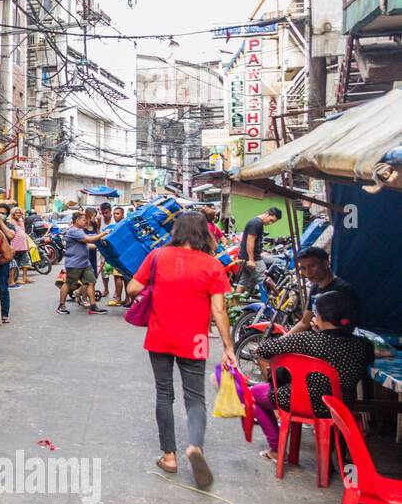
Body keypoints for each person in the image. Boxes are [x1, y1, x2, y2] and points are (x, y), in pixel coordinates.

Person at [125, 211, 237, 488]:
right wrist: (228, 346)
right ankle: (195, 446)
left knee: (164, 393)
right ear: (204, 234)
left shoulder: (157, 256)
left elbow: (132, 288)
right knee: (195, 398)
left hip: (160, 335)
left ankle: (169, 457)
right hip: (195, 338)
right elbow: (219, 310)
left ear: (177, 231)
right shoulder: (212, 265)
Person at [250, 290, 374, 463]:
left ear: (320, 316)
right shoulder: (364, 346)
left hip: (300, 402)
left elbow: (263, 350)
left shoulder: (306, 340)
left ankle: (276, 449)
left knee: (253, 394)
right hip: (340, 407)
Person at [288, 246, 357, 335]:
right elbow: (304, 323)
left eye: (312, 266)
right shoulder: (314, 288)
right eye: (303, 268)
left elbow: (348, 326)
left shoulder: (343, 290)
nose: (308, 273)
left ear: (326, 263)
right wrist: (279, 342)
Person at [57, 210, 108, 315]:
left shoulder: (80, 230)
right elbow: (89, 240)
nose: (86, 222)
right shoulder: (74, 231)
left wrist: (103, 245)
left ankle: (93, 306)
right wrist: (104, 233)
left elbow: (88, 245)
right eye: (84, 220)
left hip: (85, 262)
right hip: (74, 263)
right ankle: (61, 305)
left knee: (91, 282)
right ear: (77, 220)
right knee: (69, 283)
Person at [236, 206, 283, 293]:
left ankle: (233, 304)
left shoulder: (256, 222)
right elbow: (250, 241)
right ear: (267, 214)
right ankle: (265, 304)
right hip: (253, 259)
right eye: (271, 220)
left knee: (242, 283)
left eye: (273, 222)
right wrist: (251, 259)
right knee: (264, 281)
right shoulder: (256, 223)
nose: (270, 223)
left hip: (245, 258)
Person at [0, 204, 18, 323]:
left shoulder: (9, 225)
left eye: (2, 213)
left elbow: (11, 235)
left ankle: (4, 313)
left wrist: (0, 223)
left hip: (3, 260)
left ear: (7, 215)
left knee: (3, 288)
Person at [9, 207, 34, 287]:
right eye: (16, 213)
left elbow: (24, 233)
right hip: (14, 246)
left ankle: (24, 278)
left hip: (23, 245)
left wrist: (27, 243)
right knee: (13, 264)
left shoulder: (21, 221)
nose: (18, 214)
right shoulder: (10, 222)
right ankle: (12, 280)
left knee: (26, 262)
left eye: (20, 213)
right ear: (13, 214)